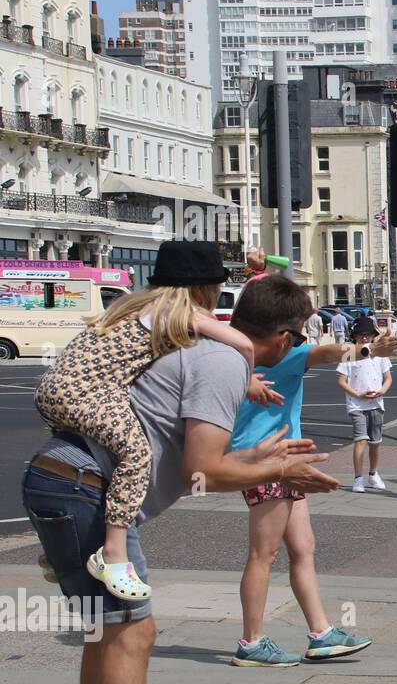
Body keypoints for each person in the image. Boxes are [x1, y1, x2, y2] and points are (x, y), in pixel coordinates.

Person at [22, 253, 337, 684]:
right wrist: (278, 468)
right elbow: (203, 471)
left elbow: (202, 466)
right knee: (132, 634)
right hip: (85, 488)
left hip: (61, 477)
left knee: (108, 635)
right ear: (285, 338)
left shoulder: (192, 344)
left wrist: (261, 458)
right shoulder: (221, 360)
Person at [33, 242, 257, 603]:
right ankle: (113, 553)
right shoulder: (181, 315)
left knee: (112, 446)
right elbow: (242, 344)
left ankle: (62, 549)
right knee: (137, 455)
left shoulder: (137, 310)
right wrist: (248, 375)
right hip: (81, 394)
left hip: (59, 390)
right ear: (203, 290)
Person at [230, 288, 397, 667]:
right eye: (296, 333)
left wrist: (366, 351)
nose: (299, 341)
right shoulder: (283, 356)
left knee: (303, 547)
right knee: (264, 553)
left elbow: (324, 352)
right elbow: (325, 353)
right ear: (282, 335)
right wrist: (369, 351)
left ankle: (321, 633)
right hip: (266, 459)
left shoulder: (238, 353)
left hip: (287, 460)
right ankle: (251, 641)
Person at [337, 315, 393, 494]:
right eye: (360, 334)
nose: (364, 338)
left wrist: (382, 391)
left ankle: (373, 473)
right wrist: (358, 394)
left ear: (373, 335)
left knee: (376, 442)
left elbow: (388, 377)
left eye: (368, 334)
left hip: (376, 403)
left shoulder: (380, 355)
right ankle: (358, 477)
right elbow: (342, 381)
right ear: (354, 336)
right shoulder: (349, 353)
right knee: (360, 440)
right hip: (357, 405)